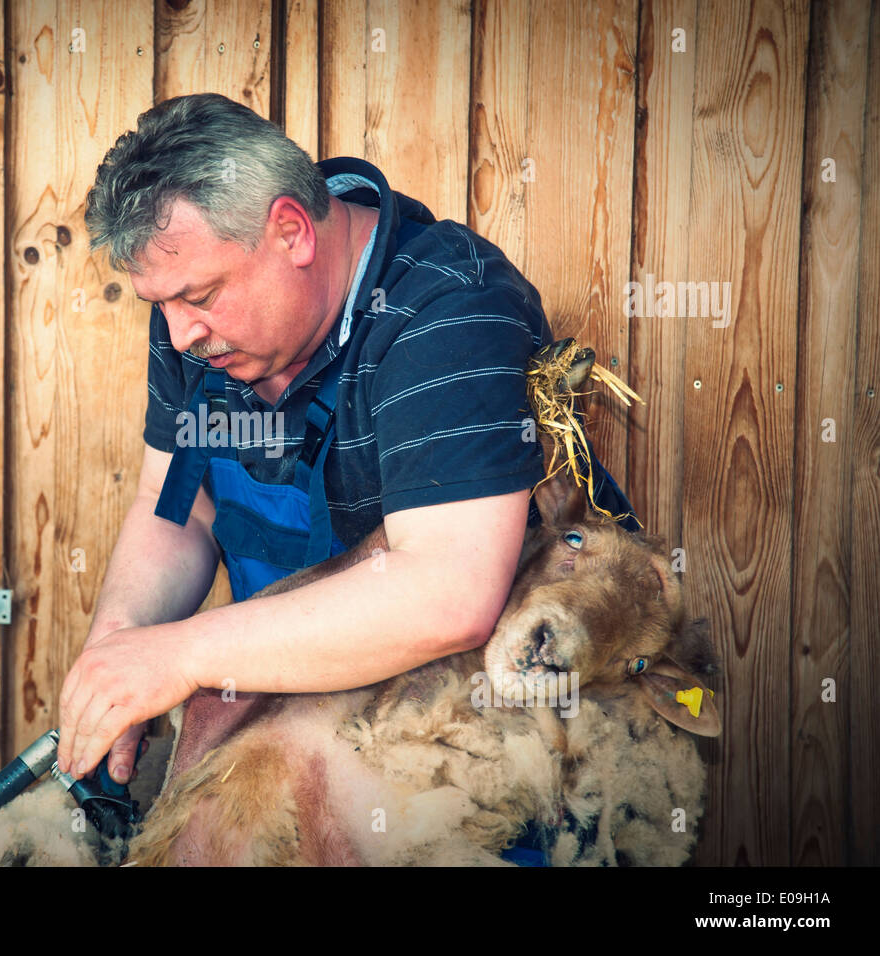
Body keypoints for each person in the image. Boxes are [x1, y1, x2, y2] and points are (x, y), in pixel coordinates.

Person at [55, 92, 637, 786]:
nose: (180, 335)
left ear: (292, 232)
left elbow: (449, 593)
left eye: (201, 297)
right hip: (295, 708)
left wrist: (178, 656)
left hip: (471, 742)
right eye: (163, 306)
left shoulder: (448, 310)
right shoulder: (197, 329)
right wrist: (118, 652)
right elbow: (177, 507)